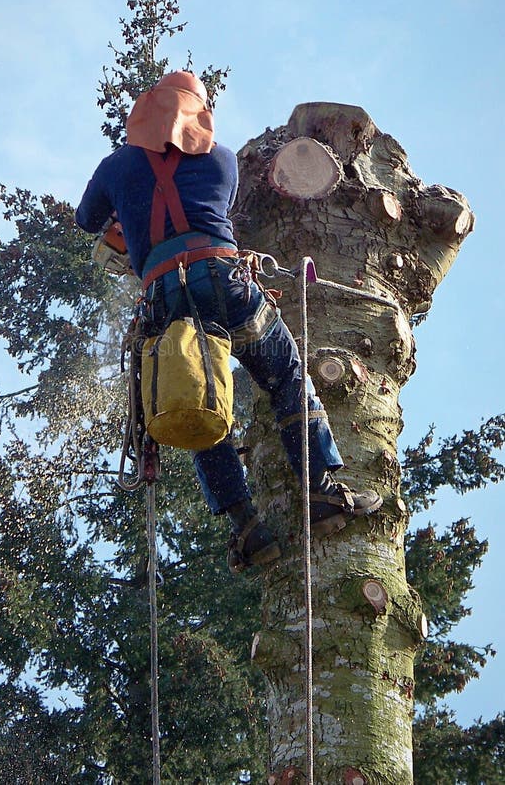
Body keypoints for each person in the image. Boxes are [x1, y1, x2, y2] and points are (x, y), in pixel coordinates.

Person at [75, 71, 382, 572]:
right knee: (285, 376)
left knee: (198, 396)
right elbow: (210, 208)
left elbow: (87, 220)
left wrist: (125, 216)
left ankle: (247, 527)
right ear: (198, 114)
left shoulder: (117, 167)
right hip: (226, 280)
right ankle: (322, 490)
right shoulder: (220, 160)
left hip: (163, 299)